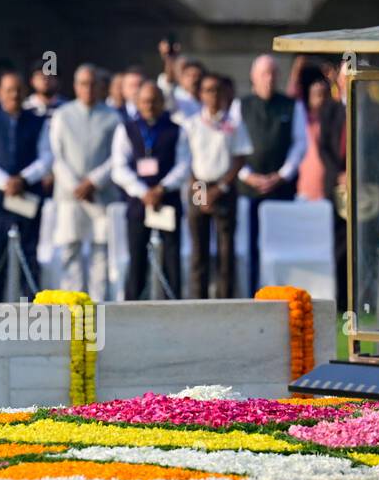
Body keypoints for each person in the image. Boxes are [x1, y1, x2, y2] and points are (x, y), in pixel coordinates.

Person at [0, 71, 53, 302]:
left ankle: (34, 310)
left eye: (18, 90)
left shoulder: (39, 121)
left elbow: (47, 157)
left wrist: (24, 179)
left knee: (29, 254)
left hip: (28, 198)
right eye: (8, 90)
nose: (14, 95)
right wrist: (5, 181)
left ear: (25, 92)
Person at [112, 81, 190, 300]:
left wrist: (162, 188)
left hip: (167, 201)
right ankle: (132, 307)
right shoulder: (126, 129)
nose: (150, 105)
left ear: (162, 102)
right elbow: (119, 167)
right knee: (137, 258)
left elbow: (184, 165)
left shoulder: (177, 129)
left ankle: (173, 306)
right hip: (139, 203)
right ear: (137, 103)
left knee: (171, 259)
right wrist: (142, 191)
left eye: (155, 101)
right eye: (145, 101)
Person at [238, 54, 308, 292]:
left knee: (282, 244)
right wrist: (247, 175)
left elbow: (300, 144)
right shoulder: (241, 106)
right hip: (250, 188)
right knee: (252, 244)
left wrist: (282, 174)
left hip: (282, 188)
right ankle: (252, 291)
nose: (268, 79)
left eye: (272, 74)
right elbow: (234, 145)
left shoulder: (292, 105)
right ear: (253, 77)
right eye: (263, 74)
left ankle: (283, 290)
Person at [49, 64, 119, 297]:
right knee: (70, 248)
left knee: (101, 250)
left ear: (101, 87)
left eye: (93, 84)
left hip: (101, 194)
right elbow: (55, 155)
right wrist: (75, 186)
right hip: (70, 196)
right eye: (83, 84)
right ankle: (73, 305)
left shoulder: (113, 117)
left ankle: (99, 306)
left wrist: (93, 182)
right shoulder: (62, 115)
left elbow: (117, 156)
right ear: (75, 86)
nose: (88, 89)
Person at [184, 73, 252, 299]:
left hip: (224, 187)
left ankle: (225, 299)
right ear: (201, 94)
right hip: (198, 187)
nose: (213, 95)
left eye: (217, 90)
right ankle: (198, 300)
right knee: (198, 249)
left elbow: (240, 157)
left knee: (226, 251)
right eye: (208, 90)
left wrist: (220, 188)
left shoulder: (233, 124)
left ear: (224, 94)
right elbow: (187, 160)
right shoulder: (192, 124)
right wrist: (201, 193)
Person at [296, 73, 348, 308]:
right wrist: (339, 173)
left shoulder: (372, 107)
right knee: (337, 244)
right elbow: (323, 146)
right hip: (335, 185)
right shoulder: (330, 110)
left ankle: (358, 299)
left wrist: (356, 172)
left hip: (364, 187)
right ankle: (339, 299)